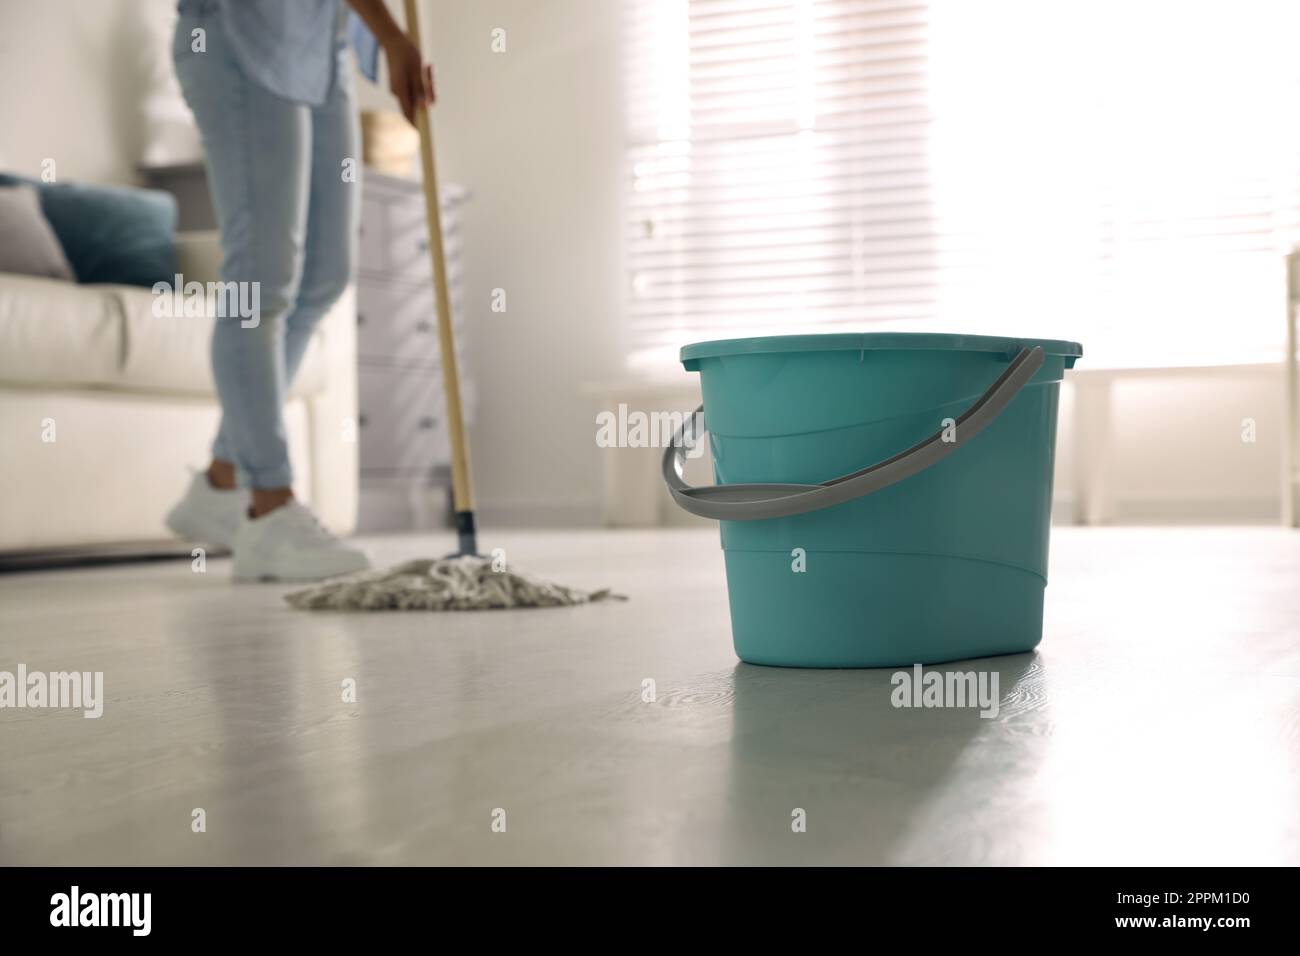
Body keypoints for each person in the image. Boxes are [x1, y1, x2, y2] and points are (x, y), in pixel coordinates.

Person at [163, 0, 433, 581]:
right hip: (239, 33)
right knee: (259, 282)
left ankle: (224, 479)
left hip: (320, 42)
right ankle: (269, 505)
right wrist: (391, 35)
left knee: (325, 275)